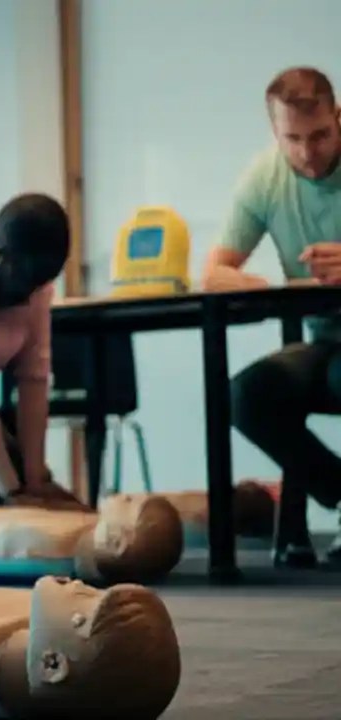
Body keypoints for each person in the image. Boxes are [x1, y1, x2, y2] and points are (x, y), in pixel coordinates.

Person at [201, 66, 341, 568]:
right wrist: (246, 282)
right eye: (294, 139)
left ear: (338, 117)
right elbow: (214, 271)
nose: (308, 153)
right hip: (326, 343)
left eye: (321, 135)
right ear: (275, 133)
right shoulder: (265, 177)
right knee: (244, 396)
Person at [0, 193, 86, 512]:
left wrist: (35, 482)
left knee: (55, 503)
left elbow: (33, 382)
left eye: (39, 286)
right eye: (23, 284)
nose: (28, 297)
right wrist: (13, 495)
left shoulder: (36, 284)